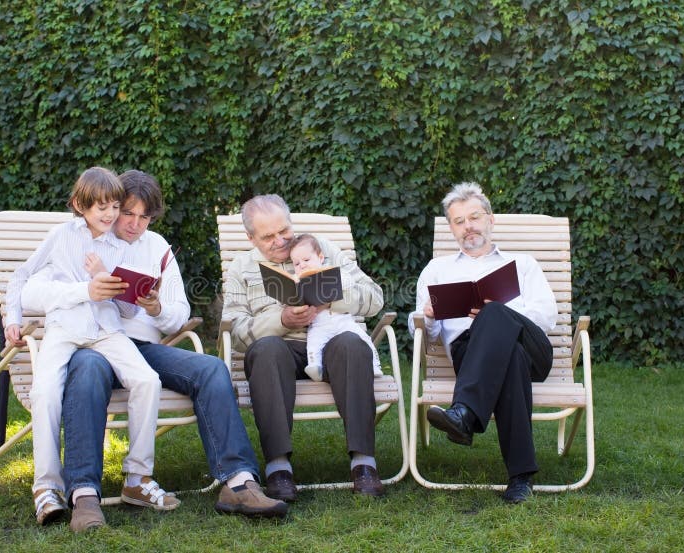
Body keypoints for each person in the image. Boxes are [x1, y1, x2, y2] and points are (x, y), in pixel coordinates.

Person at [21, 170, 287, 532]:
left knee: (211, 369)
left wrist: (155, 307)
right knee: (87, 370)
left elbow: (179, 316)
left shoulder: (157, 247)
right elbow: (40, 286)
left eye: (144, 217)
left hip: (145, 347)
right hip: (93, 343)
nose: (134, 224)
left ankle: (238, 482)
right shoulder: (87, 240)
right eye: (127, 213)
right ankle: (84, 494)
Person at [4, 167, 177, 526]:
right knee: (46, 392)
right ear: (79, 206)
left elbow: (124, 306)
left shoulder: (117, 244)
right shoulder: (60, 236)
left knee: (148, 381)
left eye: (115, 206)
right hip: (64, 329)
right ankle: (47, 488)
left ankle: (137, 478)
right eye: (103, 208)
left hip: (107, 330)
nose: (112, 215)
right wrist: (12, 320)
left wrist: (141, 297)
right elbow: (21, 277)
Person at [222, 194, 386, 500]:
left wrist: (331, 297)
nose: (280, 240)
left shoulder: (321, 249)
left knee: (352, 344)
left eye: (284, 230)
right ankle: (278, 468)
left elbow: (374, 298)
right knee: (267, 349)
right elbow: (236, 330)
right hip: (281, 350)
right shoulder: (240, 268)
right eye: (268, 236)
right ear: (250, 237)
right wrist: (282, 319)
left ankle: (365, 463)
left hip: (330, 345)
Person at [408, 182, 557, 503]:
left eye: (474, 217)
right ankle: (521, 478)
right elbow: (424, 333)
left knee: (495, 315)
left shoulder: (523, 264)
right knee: (510, 358)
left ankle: (464, 413)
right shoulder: (437, 269)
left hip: (533, 349)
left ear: (491, 219)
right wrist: (428, 315)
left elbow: (547, 317)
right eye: (459, 221)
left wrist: (497, 312)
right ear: (451, 228)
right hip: (471, 356)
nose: (468, 227)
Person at [288, 233, 382, 382]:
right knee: (313, 343)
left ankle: (374, 365)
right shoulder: (298, 279)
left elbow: (348, 281)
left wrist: (334, 284)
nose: (302, 265)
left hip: (341, 320)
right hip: (318, 324)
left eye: (306, 260)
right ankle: (314, 366)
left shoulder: (330, 271)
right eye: (297, 264)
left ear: (320, 258)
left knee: (362, 338)